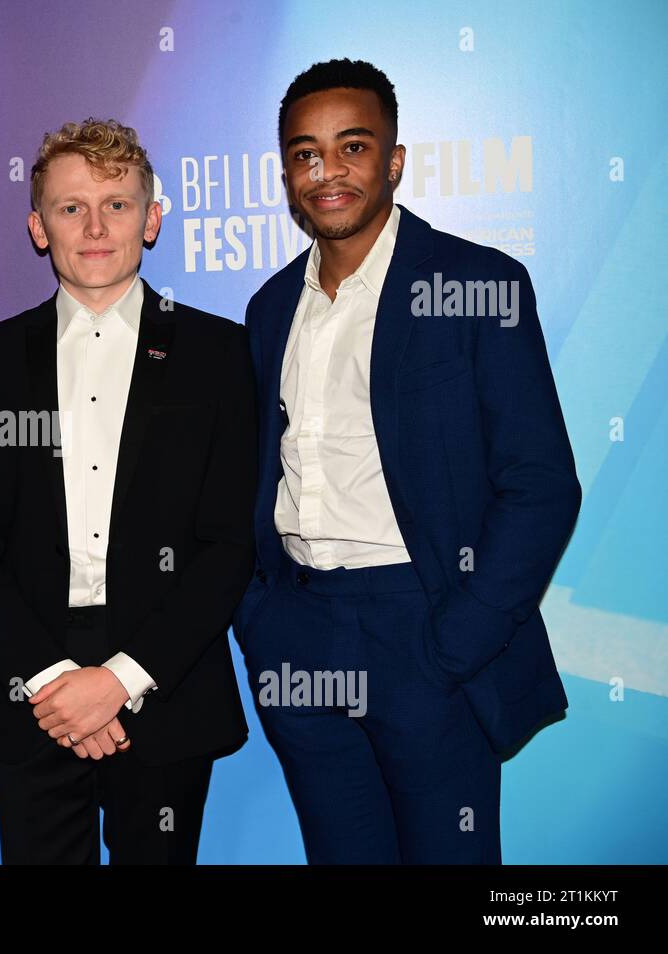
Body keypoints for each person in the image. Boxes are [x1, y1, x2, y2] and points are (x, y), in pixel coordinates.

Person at [238, 58, 580, 863]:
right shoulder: (269, 307)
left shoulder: (477, 283)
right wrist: (262, 624)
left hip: (423, 627)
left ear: (394, 160)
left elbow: (540, 487)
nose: (328, 171)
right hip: (299, 633)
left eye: (352, 147)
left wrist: (455, 644)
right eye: (305, 152)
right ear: (287, 172)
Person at [0, 118, 258, 864]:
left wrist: (119, 681)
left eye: (116, 204)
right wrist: (57, 685)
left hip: (166, 683)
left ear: (150, 219)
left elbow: (229, 543)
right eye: (70, 206)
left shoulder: (217, 353)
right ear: (36, 226)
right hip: (30, 692)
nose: (93, 225)